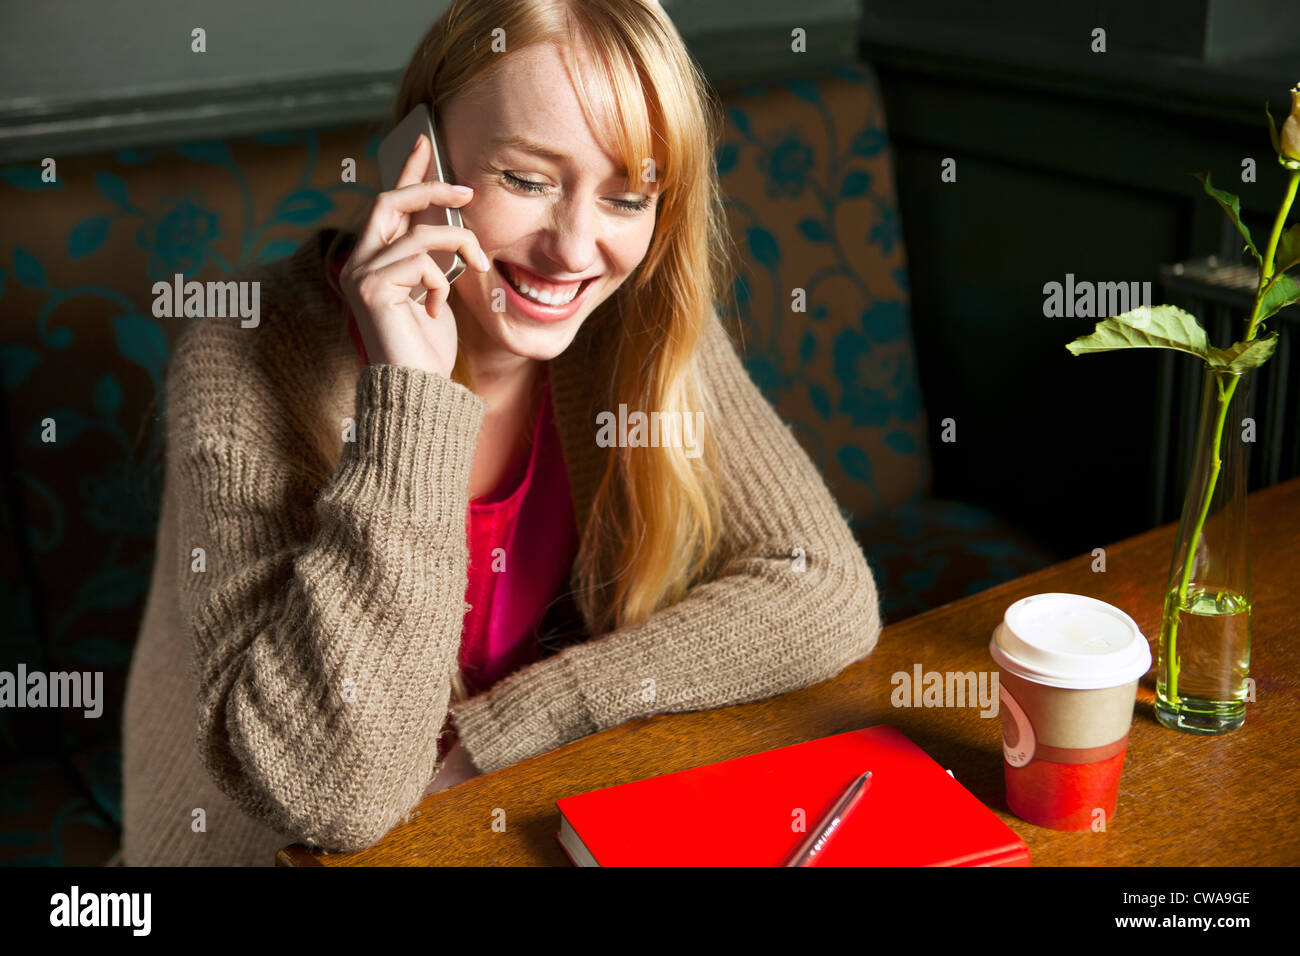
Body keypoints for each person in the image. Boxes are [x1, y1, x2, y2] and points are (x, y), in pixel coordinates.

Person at [121, 0, 882, 867]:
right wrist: (406, 391)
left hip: (511, 806)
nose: (573, 251)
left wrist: (512, 729)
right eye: (527, 180)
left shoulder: (638, 319)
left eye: (627, 195)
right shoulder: (241, 355)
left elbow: (820, 585)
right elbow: (338, 797)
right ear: (418, 152)